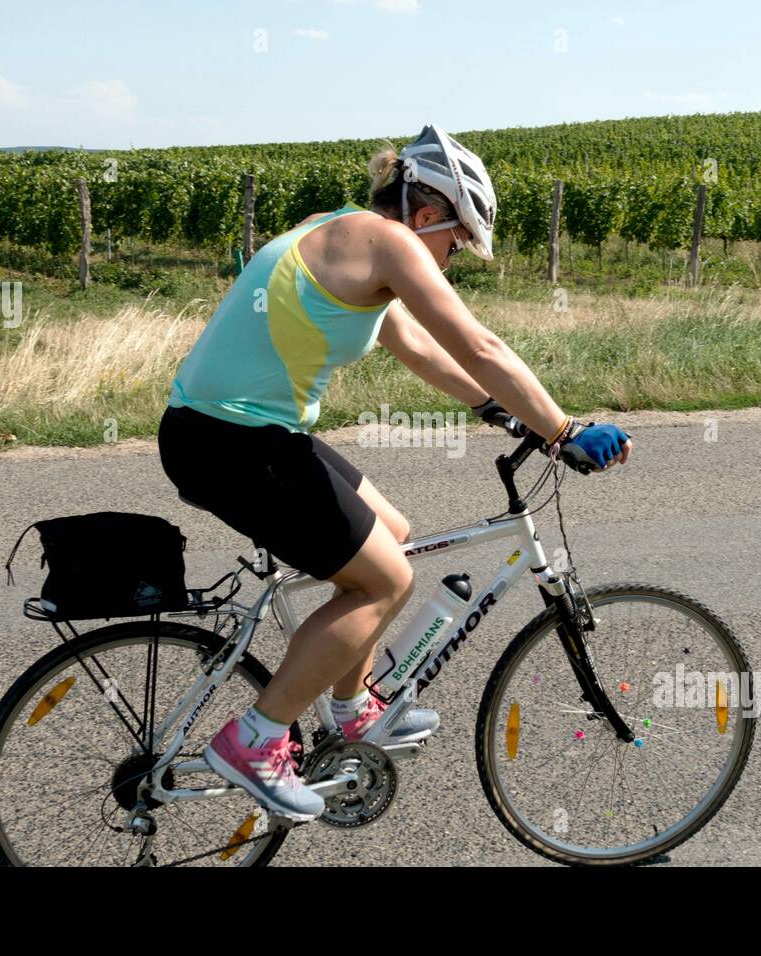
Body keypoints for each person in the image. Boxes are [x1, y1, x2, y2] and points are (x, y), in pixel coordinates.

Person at [157, 124, 630, 822]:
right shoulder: (390, 243)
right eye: (458, 241)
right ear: (427, 211)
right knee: (385, 580)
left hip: (237, 431)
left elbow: (417, 346)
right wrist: (562, 430)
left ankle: (351, 710)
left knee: (393, 533)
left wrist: (499, 411)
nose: (452, 256)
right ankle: (254, 741)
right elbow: (478, 341)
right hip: (231, 441)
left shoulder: (342, 233)